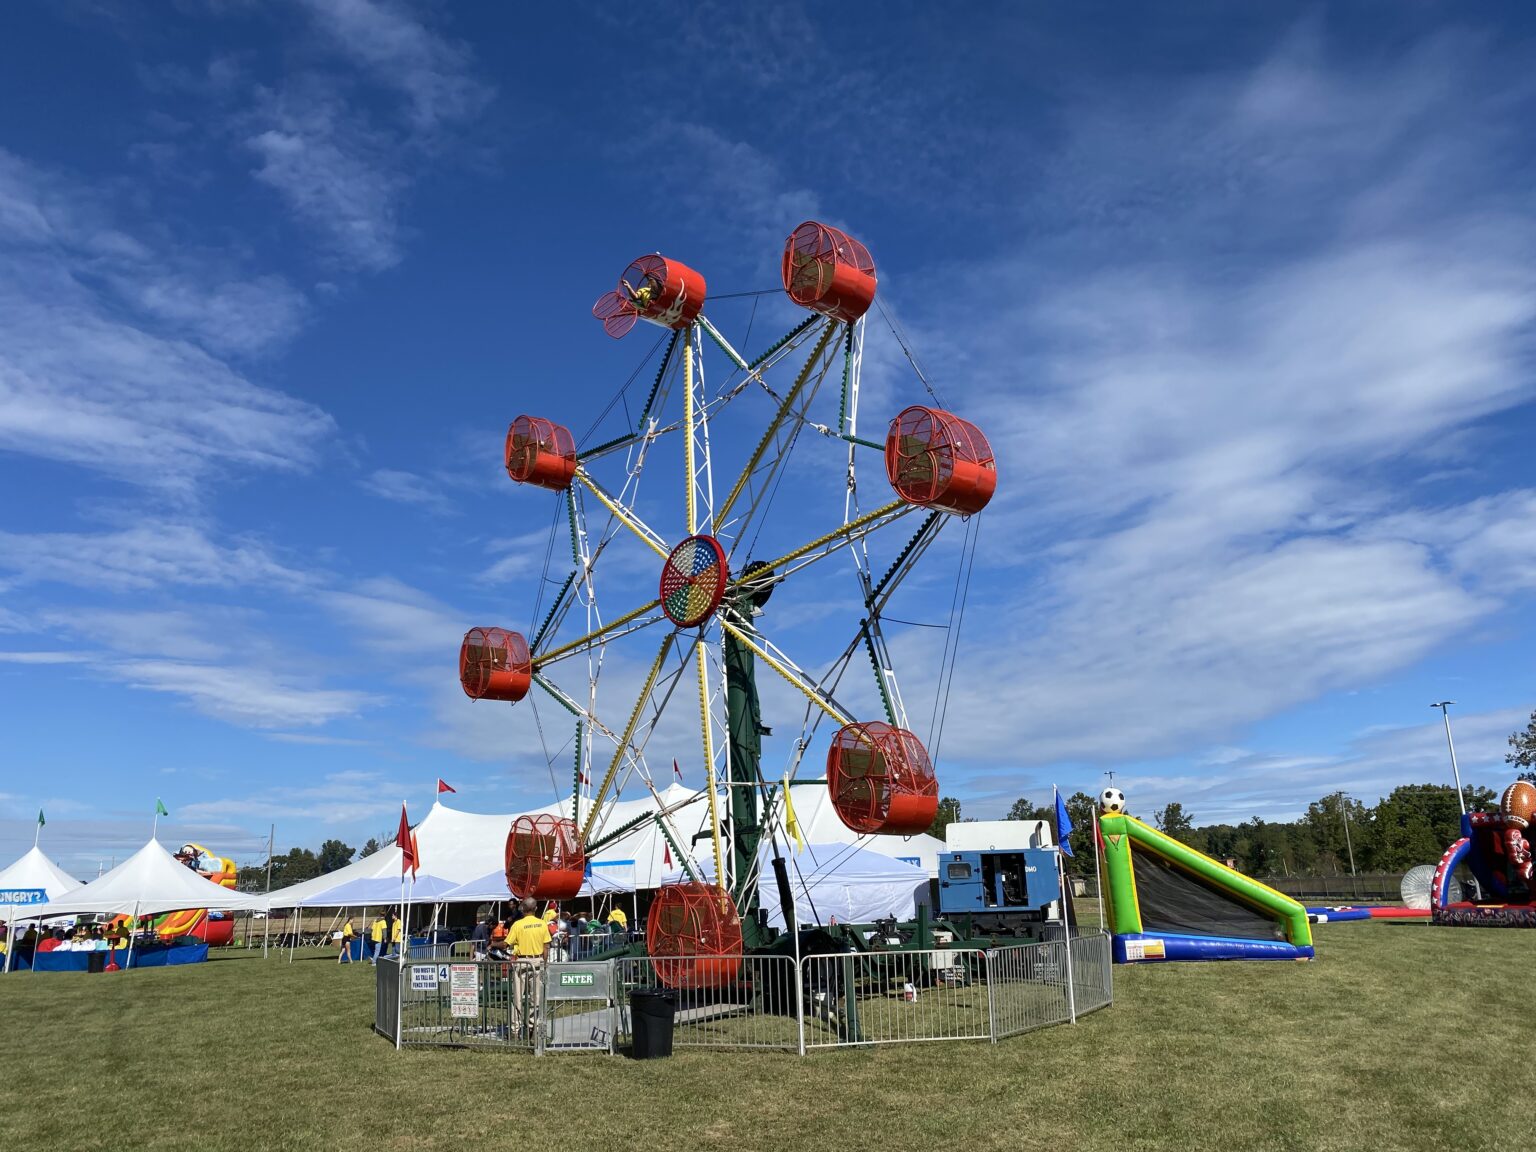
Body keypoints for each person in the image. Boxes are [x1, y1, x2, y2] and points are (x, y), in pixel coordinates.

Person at [508, 898, 550, 1038]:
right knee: (536, 997)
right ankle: (534, 1027)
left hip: (521, 961)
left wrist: (493, 945)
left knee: (517, 997)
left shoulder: (517, 925)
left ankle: (515, 1030)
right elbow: (546, 946)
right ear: (536, 908)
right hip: (538, 961)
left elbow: (508, 942)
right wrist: (544, 962)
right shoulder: (542, 924)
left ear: (522, 909)